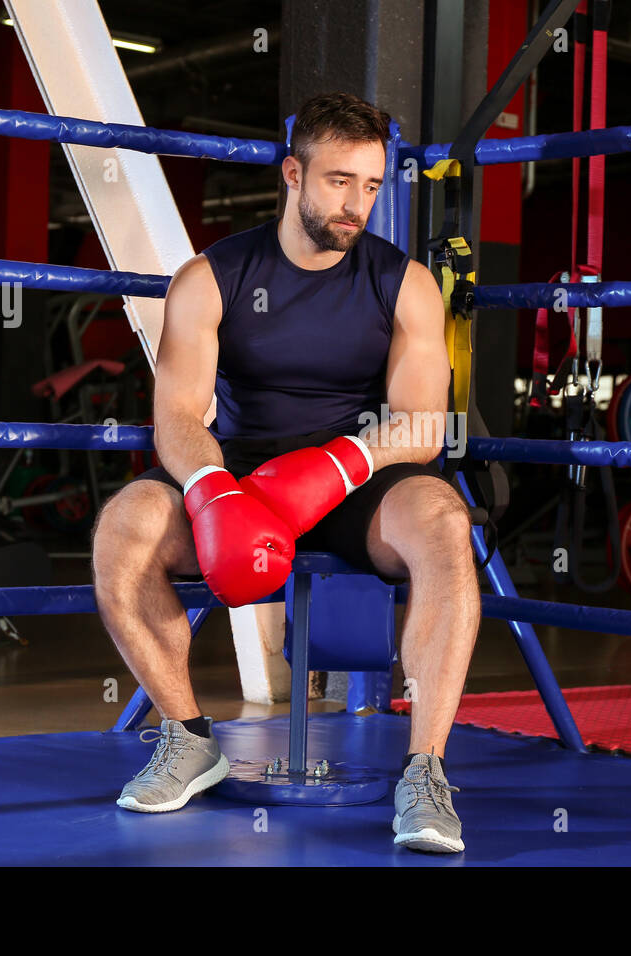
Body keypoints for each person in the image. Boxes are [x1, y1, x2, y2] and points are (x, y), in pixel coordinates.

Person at [90, 92, 479, 853]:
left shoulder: (403, 284)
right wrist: (211, 492)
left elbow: (424, 423)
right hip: (237, 476)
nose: (356, 204)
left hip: (358, 483)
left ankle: (425, 772)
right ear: (293, 173)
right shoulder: (212, 276)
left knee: (444, 524)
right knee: (125, 526)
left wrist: (341, 461)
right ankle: (187, 737)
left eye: (371, 186)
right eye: (339, 181)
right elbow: (175, 416)